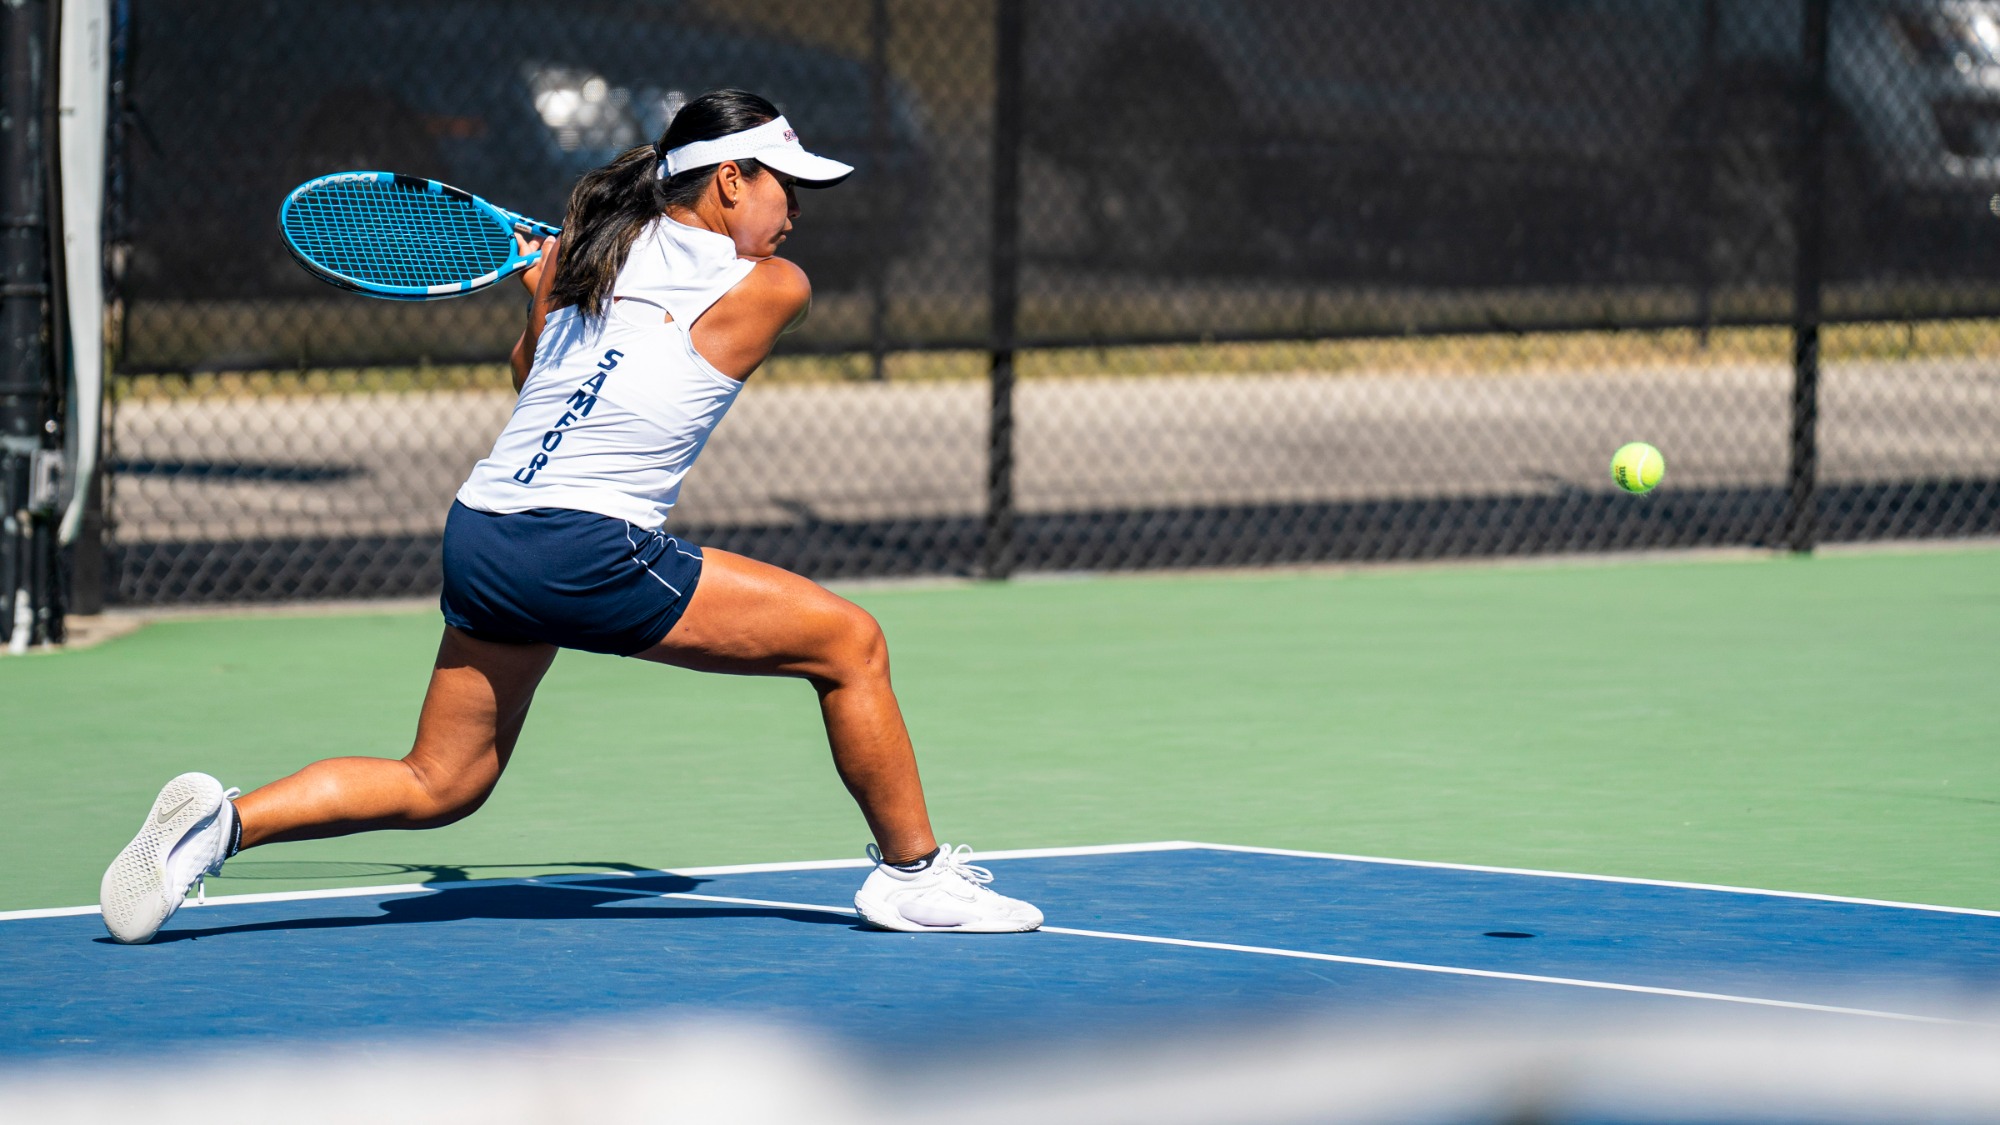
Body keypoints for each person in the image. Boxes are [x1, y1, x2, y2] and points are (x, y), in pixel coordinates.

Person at [98, 89, 1042, 944]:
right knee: (849, 644)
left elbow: (533, 377)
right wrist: (564, 282)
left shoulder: (588, 262)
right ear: (729, 181)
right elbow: (655, 330)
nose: (795, 211)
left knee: (444, 781)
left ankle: (218, 826)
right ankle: (914, 877)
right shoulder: (772, 287)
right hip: (582, 543)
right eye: (783, 187)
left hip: (485, 529)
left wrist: (552, 288)